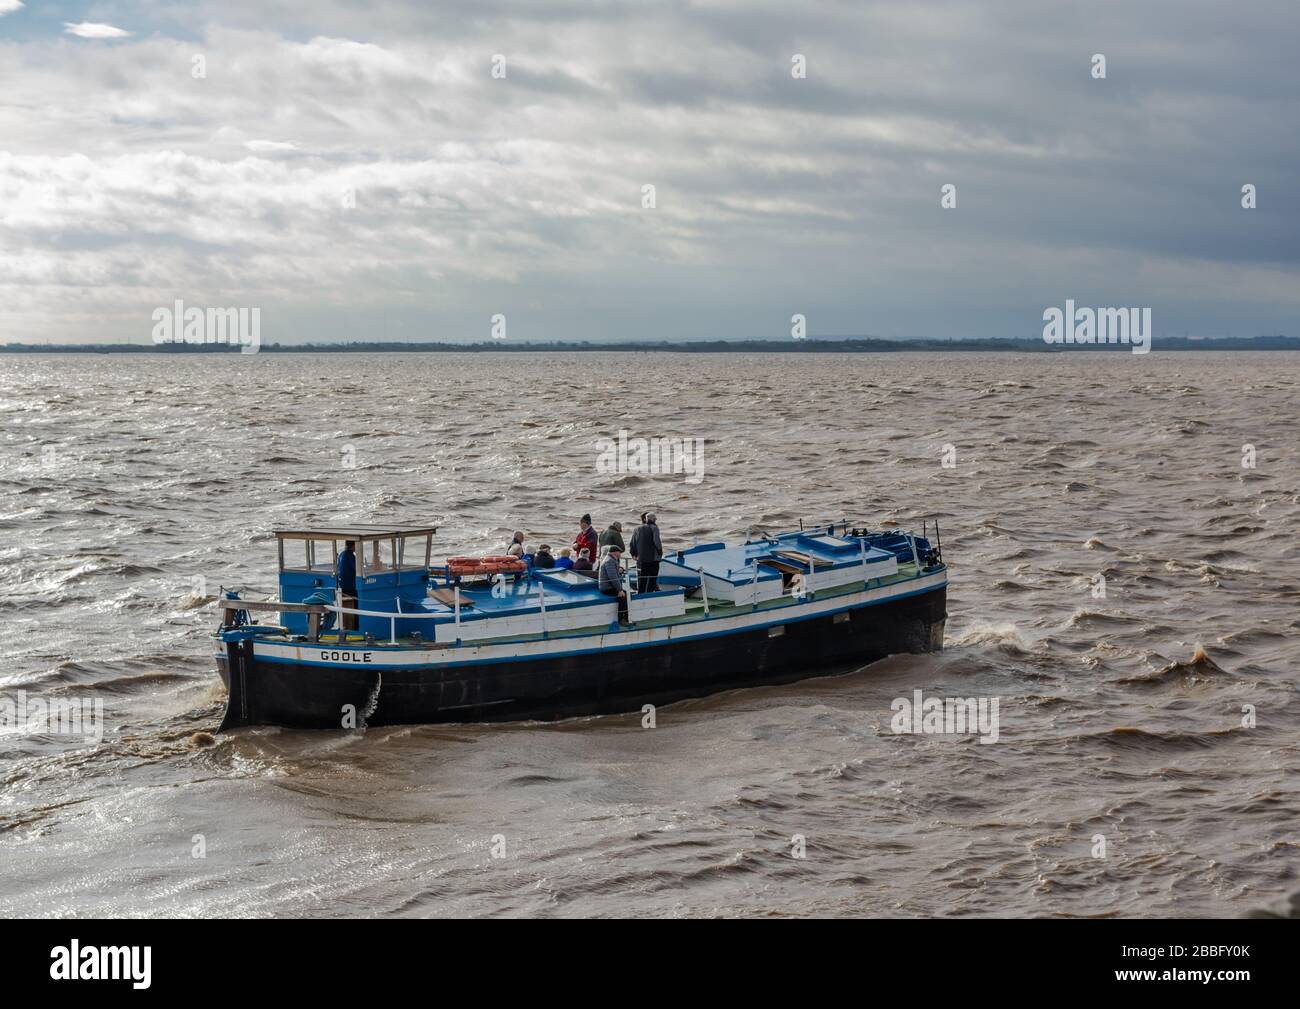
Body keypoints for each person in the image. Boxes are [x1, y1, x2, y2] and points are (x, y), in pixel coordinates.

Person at [630, 512, 663, 592]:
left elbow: (632, 543)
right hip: (653, 558)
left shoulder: (636, 528)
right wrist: (660, 552)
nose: (656, 520)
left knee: (642, 578)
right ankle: (649, 594)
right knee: (652, 578)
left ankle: (641, 594)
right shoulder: (654, 528)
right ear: (653, 519)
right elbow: (657, 542)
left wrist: (633, 554)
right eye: (655, 518)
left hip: (641, 558)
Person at [598, 544, 629, 625]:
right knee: (623, 595)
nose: (620, 554)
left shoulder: (609, 559)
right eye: (619, 552)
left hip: (608, 585)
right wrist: (619, 590)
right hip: (606, 588)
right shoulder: (610, 561)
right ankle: (622, 619)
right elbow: (612, 577)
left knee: (624, 593)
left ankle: (626, 617)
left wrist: (619, 569)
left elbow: (612, 572)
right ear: (615, 552)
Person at [336, 539, 358, 631]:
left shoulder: (341, 554)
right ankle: (356, 625)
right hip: (350, 586)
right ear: (353, 545)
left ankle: (347, 624)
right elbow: (356, 570)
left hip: (342, 585)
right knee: (357, 604)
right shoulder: (350, 556)